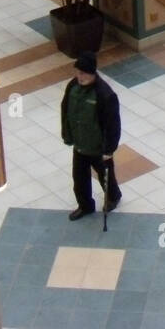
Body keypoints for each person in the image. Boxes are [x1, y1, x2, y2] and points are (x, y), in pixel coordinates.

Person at [61, 52, 122, 219]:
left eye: (83, 73)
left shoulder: (105, 94)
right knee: (79, 180)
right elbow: (65, 110)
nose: (79, 77)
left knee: (105, 176)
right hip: (80, 145)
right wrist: (67, 134)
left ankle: (114, 196)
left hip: (98, 147)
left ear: (92, 73)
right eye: (78, 72)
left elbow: (113, 124)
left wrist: (109, 149)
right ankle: (85, 205)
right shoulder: (72, 86)